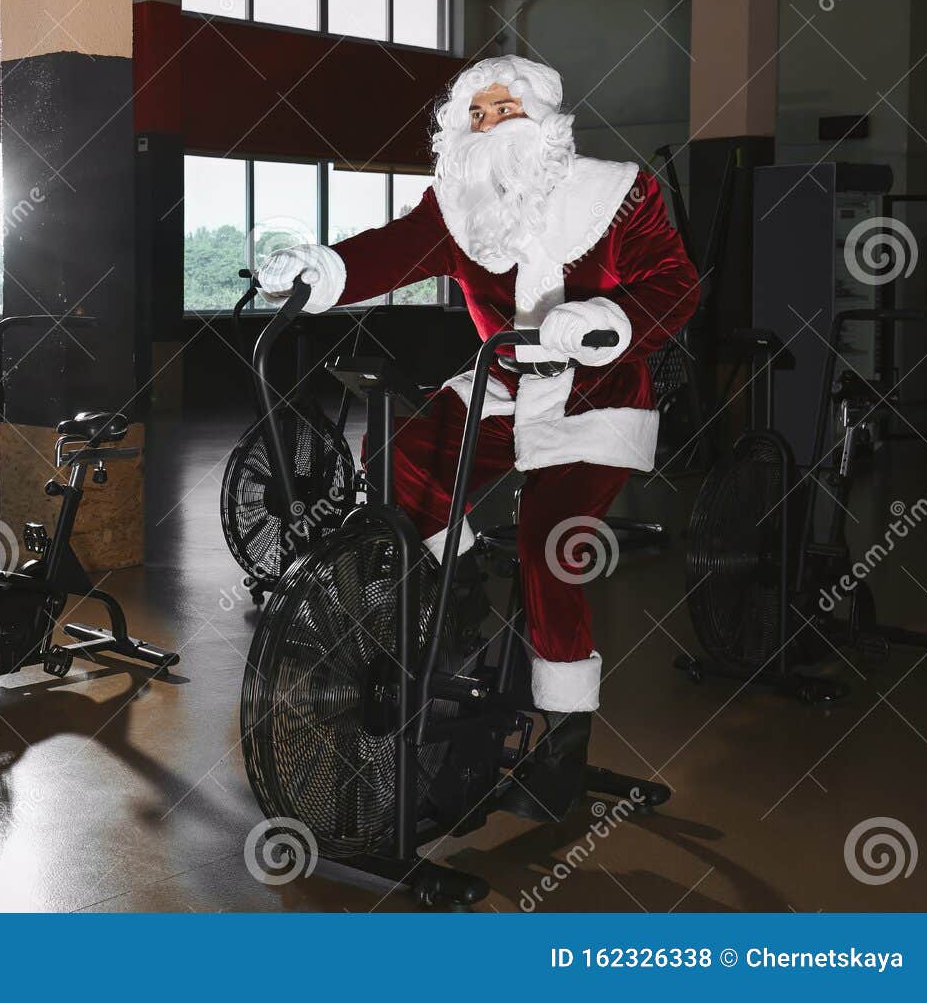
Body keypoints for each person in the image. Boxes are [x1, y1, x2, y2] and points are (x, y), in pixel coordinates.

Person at [255, 55, 699, 821]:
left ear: (544, 121)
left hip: (591, 399)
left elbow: (675, 283)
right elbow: (389, 250)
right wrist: (319, 267)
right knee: (395, 455)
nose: (489, 126)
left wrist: (606, 320)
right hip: (501, 386)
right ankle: (455, 602)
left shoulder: (618, 193)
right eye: (477, 115)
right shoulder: (457, 205)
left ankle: (564, 739)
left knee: (549, 544)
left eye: (504, 111)